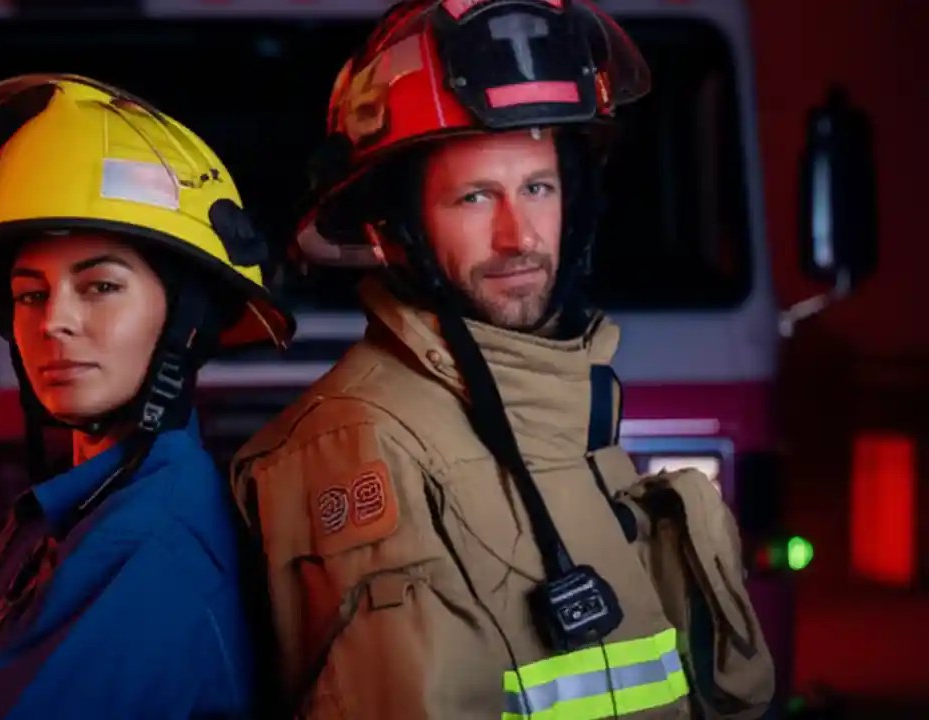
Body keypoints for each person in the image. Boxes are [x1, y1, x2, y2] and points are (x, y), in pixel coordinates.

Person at [231, 1, 775, 718]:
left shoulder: (567, 402)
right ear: (397, 228)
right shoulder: (358, 445)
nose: (518, 235)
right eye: (474, 196)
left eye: (537, 188)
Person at [0, 74, 293, 719]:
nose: (54, 322)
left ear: (185, 319)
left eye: (100, 286)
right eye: (30, 294)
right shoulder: (85, 508)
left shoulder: (147, 544)